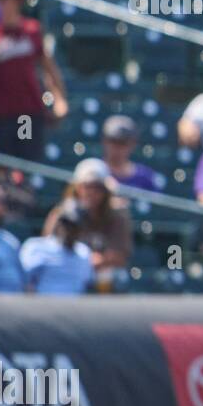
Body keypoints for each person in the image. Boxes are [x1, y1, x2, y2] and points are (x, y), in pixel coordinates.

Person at [0, 0, 69, 161]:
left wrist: (60, 98)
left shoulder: (32, 30)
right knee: (2, 169)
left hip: (28, 115)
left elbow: (49, 68)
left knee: (27, 165)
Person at [44, 159, 133, 287]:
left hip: (99, 273)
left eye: (97, 187)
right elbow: (48, 248)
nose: (91, 192)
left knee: (114, 276)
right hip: (66, 268)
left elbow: (118, 257)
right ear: (77, 187)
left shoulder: (117, 214)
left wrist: (85, 262)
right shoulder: (62, 213)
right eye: (86, 186)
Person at [21, 200, 93, 296]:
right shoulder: (36, 246)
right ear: (58, 223)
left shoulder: (84, 252)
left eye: (74, 226)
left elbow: (87, 282)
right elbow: (24, 281)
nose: (69, 230)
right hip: (42, 306)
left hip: (76, 308)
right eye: (66, 223)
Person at [100, 114, 159, 192]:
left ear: (133, 144)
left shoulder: (145, 177)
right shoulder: (93, 171)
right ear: (104, 141)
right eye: (113, 142)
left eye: (123, 143)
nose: (117, 148)